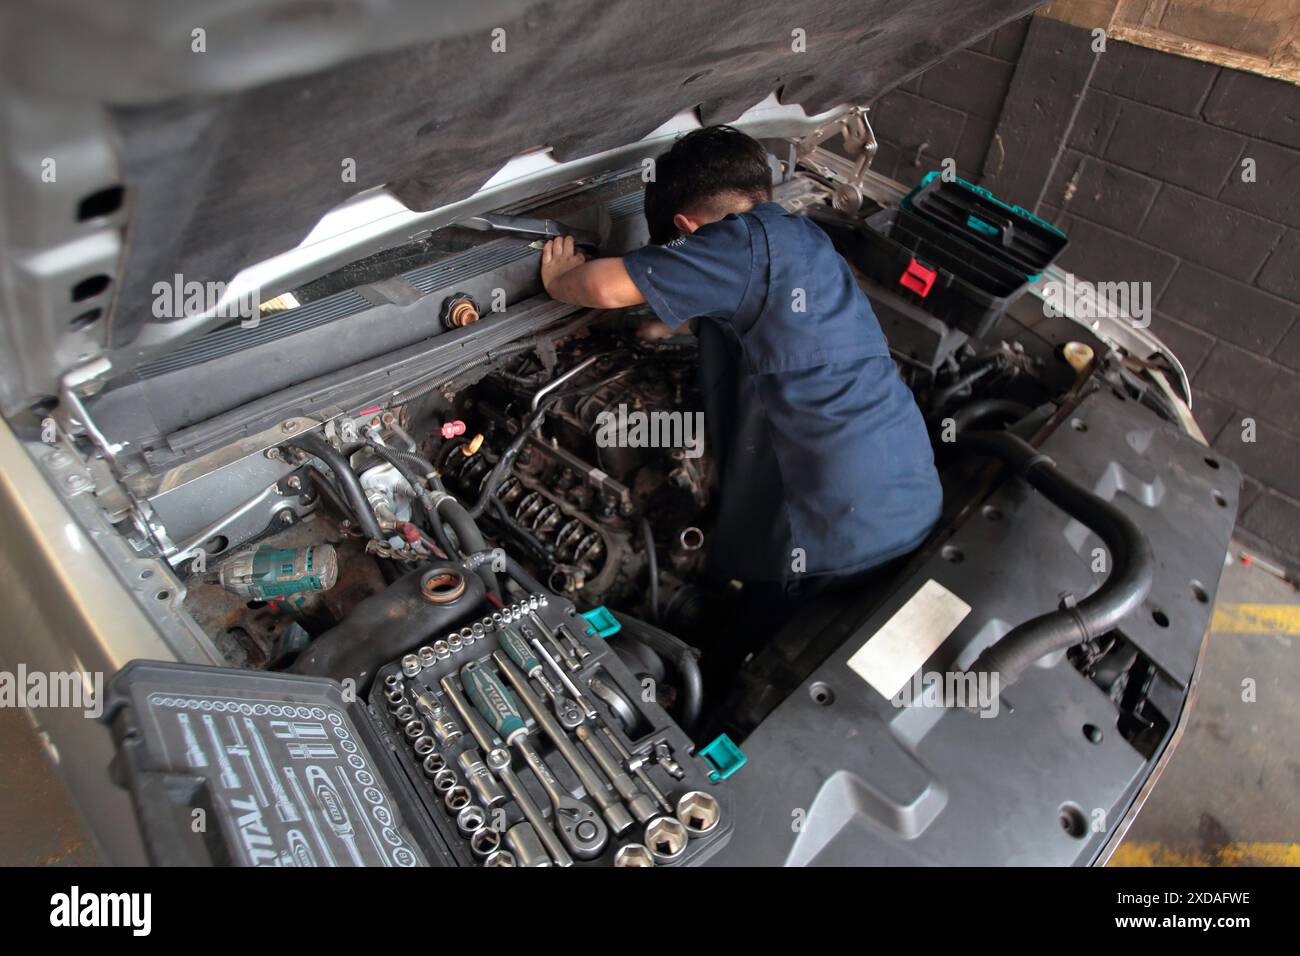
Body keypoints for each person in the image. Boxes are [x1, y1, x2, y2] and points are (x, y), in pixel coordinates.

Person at [539, 125, 942, 616]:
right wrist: (673, 320)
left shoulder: (733, 243)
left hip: (825, 536)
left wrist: (560, 280)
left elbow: (604, 288)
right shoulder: (805, 236)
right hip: (907, 498)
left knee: (758, 653)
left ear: (687, 229)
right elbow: (765, 307)